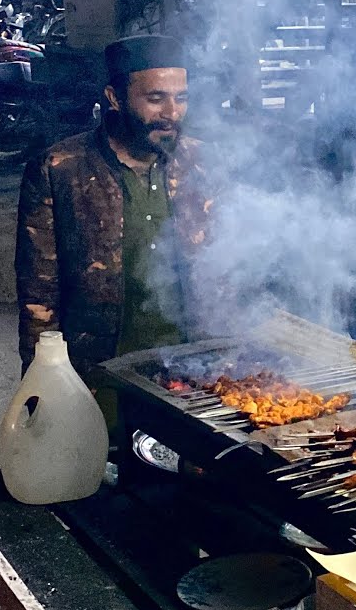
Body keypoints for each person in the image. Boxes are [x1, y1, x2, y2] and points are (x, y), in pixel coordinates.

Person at [16, 35, 214, 439]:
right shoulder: (60, 169)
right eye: (155, 99)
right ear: (115, 97)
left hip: (198, 373)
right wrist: (41, 385)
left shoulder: (206, 163)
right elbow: (39, 294)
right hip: (101, 374)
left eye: (181, 98)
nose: (172, 113)